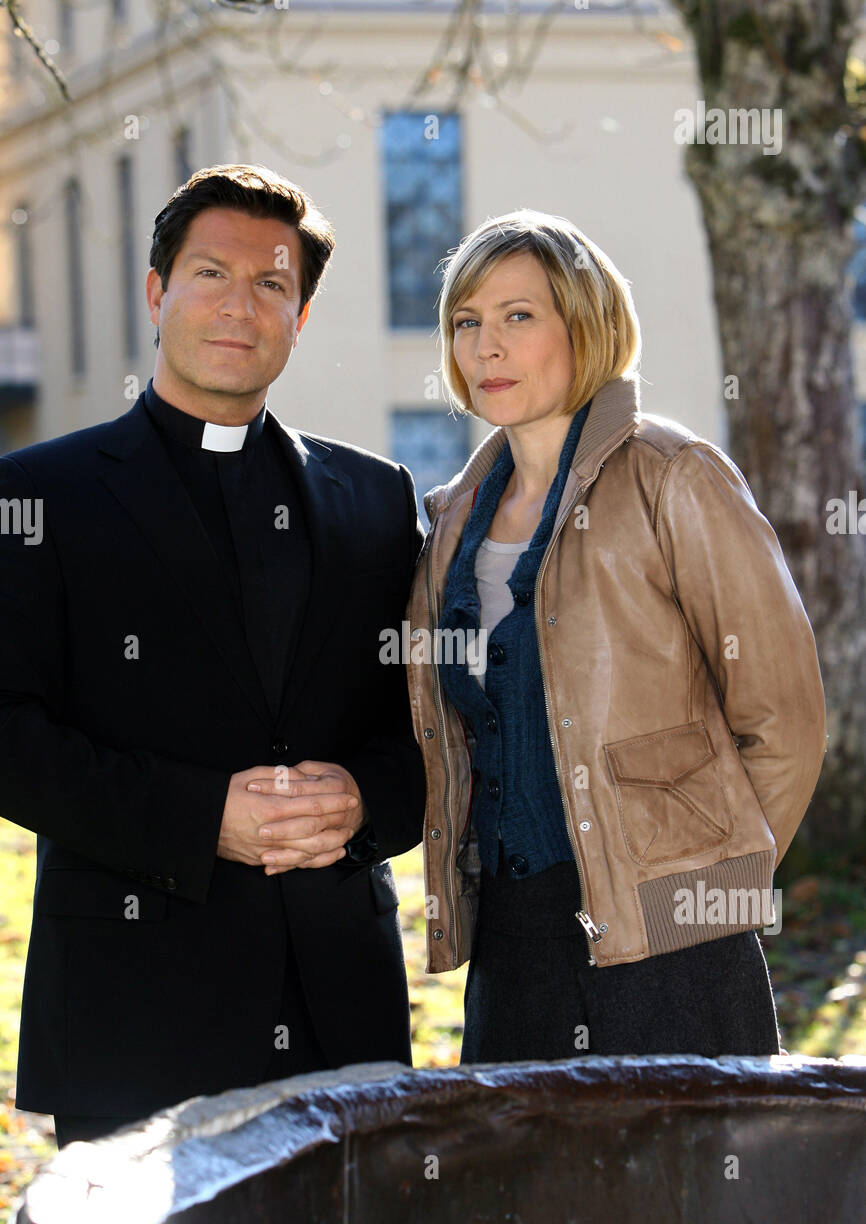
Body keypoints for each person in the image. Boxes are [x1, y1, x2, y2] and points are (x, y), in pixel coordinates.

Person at [1, 164, 425, 1147]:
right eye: (210, 274)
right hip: (131, 1015)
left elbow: (426, 734)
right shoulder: (40, 497)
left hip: (342, 1010)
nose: (240, 305)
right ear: (157, 293)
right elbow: (9, 734)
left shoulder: (376, 501)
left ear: (301, 313)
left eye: (271, 282)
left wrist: (367, 802)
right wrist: (202, 821)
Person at [405, 208, 827, 1062]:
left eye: (518, 317)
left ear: (586, 322)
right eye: (466, 322)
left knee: (686, 1194)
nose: (486, 347)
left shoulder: (673, 476)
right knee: (524, 1197)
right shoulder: (449, 523)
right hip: (512, 950)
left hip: (674, 954)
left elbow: (785, 718)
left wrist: (698, 892)